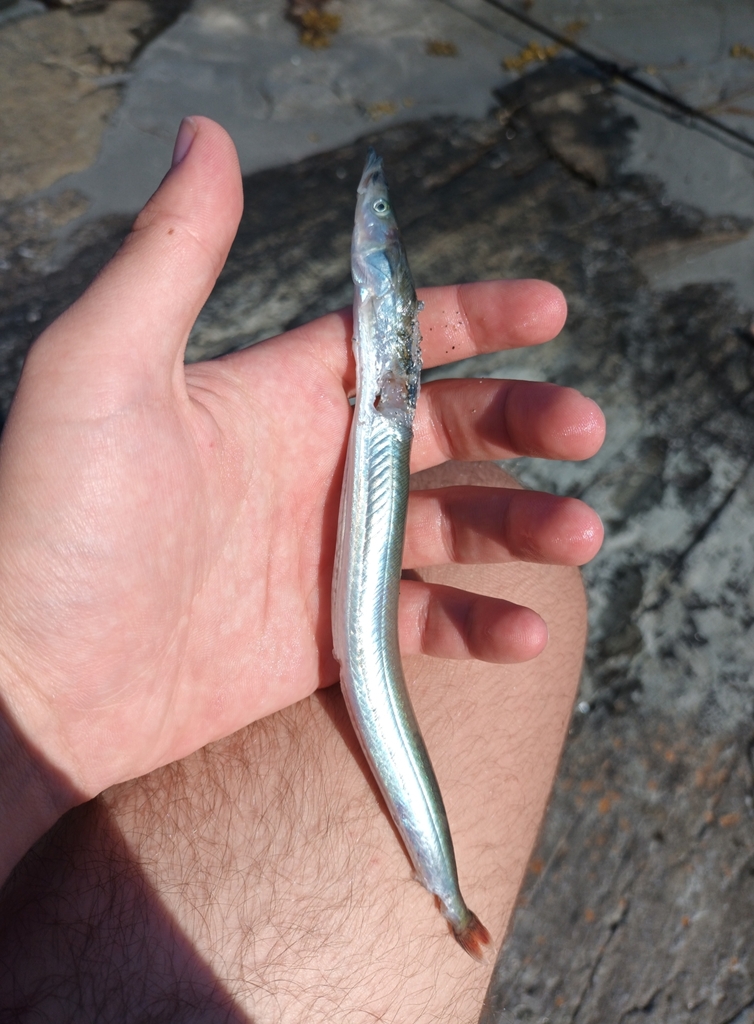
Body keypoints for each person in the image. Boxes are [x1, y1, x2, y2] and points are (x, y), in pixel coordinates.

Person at [0, 117, 605, 1021]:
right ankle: (446, 894)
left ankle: (447, 893)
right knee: (512, 564)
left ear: (385, 301)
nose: (374, 247)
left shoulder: (387, 364)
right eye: (379, 244)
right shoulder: (384, 367)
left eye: (381, 246)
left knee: (518, 568)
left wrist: (29, 682)